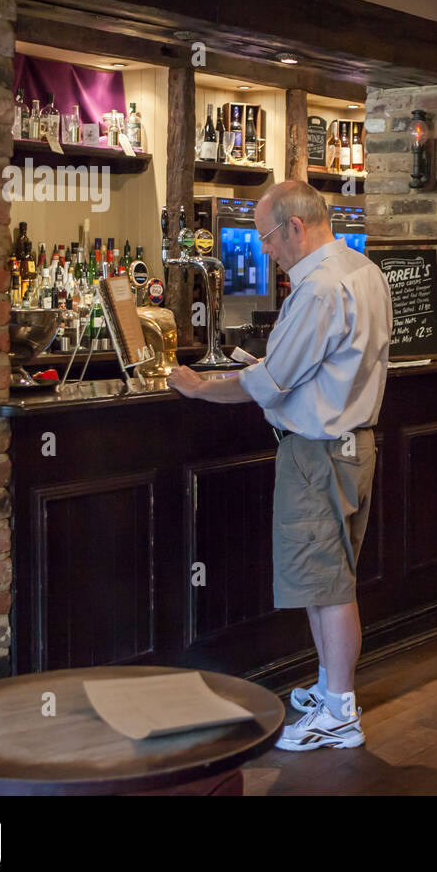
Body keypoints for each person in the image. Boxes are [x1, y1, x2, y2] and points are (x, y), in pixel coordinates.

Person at [167, 181, 391, 750]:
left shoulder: (317, 289)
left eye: (267, 236)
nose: (264, 249)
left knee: (328, 583)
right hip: (353, 444)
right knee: (328, 578)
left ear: (295, 226)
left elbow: (270, 382)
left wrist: (198, 388)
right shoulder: (364, 271)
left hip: (317, 452)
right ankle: (329, 685)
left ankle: (340, 712)